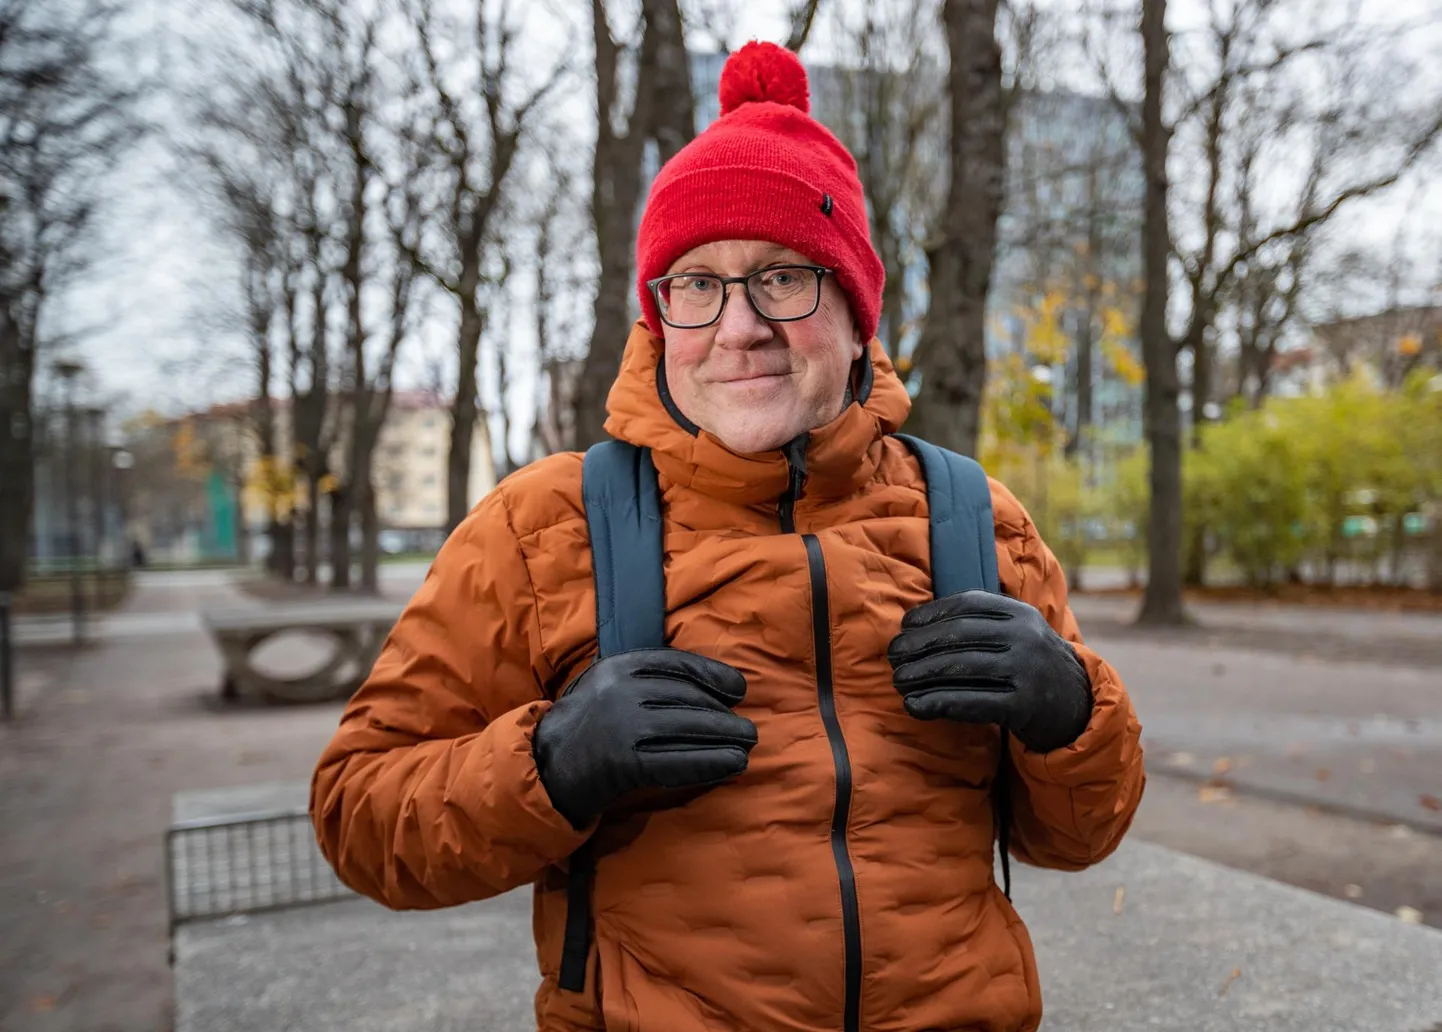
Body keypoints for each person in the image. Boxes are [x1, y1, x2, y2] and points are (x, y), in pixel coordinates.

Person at [310, 40, 1144, 1032]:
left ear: (852, 308)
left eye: (782, 278)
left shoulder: (970, 516)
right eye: (693, 285)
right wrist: (551, 762)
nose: (736, 325)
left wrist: (1066, 709)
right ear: (659, 318)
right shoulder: (545, 526)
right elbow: (359, 818)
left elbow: (1077, 835)